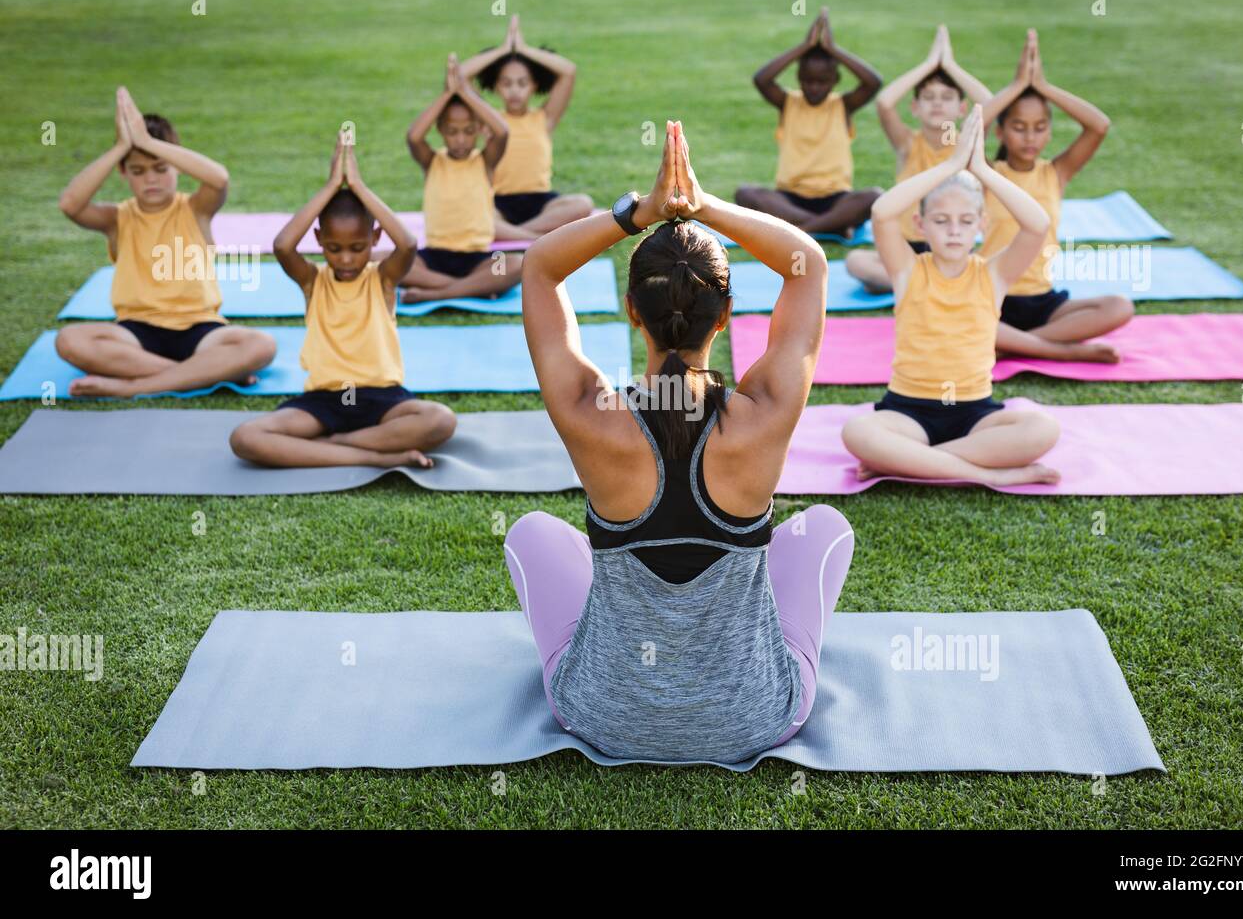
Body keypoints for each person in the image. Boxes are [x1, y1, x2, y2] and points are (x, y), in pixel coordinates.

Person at [506, 121, 854, 763]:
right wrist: (704, 206)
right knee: (826, 527)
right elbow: (810, 267)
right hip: (753, 715)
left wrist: (636, 213)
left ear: (632, 312)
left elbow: (539, 268)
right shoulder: (764, 413)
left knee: (530, 531)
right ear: (725, 317)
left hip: (603, 715)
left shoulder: (591, 414)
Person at [841, 107, 1061, 486]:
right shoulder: (907, 270)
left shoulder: (994, 273)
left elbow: (1037, 224)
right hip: (908, 413)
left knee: (1043, 428)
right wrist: (951, 165)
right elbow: (881, 213)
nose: (954, 231)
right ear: (921, 225)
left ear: (982, 225)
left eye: (965, 221)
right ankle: (998, 475)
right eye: (941, 221)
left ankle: (910, 463)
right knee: (857, 432)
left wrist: (982, 170)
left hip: (975, 415)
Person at [229, 135, 455, 468]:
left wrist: (359, 187)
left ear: (375, 239)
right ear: (319, 241)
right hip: (324, 403)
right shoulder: (312, 281)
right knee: (245, 437)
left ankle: (333, 446)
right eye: (334, 249)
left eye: (357, 248)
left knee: (441, 420)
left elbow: (406, 244)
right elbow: (282, 246)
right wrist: (331, 186)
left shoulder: (383, 279)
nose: (346, 260)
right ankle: (373, 456)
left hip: (383, 400)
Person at [54, 86, 276, 397]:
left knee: (261, 345)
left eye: (161, 168)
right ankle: (207, 375)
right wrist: (121, 146)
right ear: (123, 173)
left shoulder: (197, 209)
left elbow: (219, 178)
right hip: (135, 333)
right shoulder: (116, 218)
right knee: (69, 340)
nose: (151, 179)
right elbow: (69, 204)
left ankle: (132, 386)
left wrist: (146, 142)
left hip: (201, 331)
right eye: (138, 171)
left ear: (178, 167)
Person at [981, 30, 1131, 361]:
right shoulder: (986, 174)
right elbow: (970, 128)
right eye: (1019, 127)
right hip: (993, 298)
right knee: (956, 317)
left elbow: (1099, 126)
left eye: (1040, 127)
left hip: (1043, 301)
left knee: (1119, 306)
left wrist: (1044, 87)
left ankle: (1013, 346)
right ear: (1002, 131)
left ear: (1049, 130)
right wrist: (1017, 86)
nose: (1030, 136)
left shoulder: (1056, 173)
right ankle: (1062, 352)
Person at [846, 25, 993, 292]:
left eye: (947, 98)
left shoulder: (968, 142)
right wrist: (928, 65)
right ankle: (928, 283)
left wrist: (950, 65)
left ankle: (916, 283)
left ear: (962, 109)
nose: (937, 103)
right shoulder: (907, 144)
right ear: (915, 107)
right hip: (906, 245)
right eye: (928, 97)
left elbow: (990, 103)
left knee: (986, 263)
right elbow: (884, 103)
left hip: (950, 241)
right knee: (856, 261)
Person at [734, 7, 884, 239]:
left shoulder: (843, 105)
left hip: (836, 199)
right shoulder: (788, 103)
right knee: (745, 194)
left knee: (874, 196)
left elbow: (874, 82)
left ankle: (803, 229)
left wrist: (834, 50)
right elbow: (761, 79)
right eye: (807, 81)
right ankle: (831, 226)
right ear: (798, 78)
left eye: (822, 82)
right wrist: (803, 47)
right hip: (789, 198)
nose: (814, 87)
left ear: (835, 80)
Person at [458, 15, 593, 240]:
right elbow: (461, 75)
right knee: (470, 210)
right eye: (506, 83)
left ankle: (515, 235)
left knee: (582, 204)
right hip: (499, 202)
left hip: (541, 202)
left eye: (522, 83)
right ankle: (534, 237)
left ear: (534, 86)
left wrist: (523, 48)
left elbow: (568, 71)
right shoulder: (489, 119)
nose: (514, 90)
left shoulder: (544, 117)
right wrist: (503, 50)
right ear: (497, 86)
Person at [401, 54, 523, 302]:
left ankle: (438, 293)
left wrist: (464, 92)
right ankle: (472, 288)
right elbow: (414, 136)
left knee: (516, 264)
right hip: (435, 256)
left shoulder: (485, 161)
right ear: (441, 131)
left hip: (477, 258)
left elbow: (502, 130)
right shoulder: (432, 161)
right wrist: (448, 93)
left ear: (479, 130)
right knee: (394, 261)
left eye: (468, 132)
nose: (460, 139)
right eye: (452, 132)